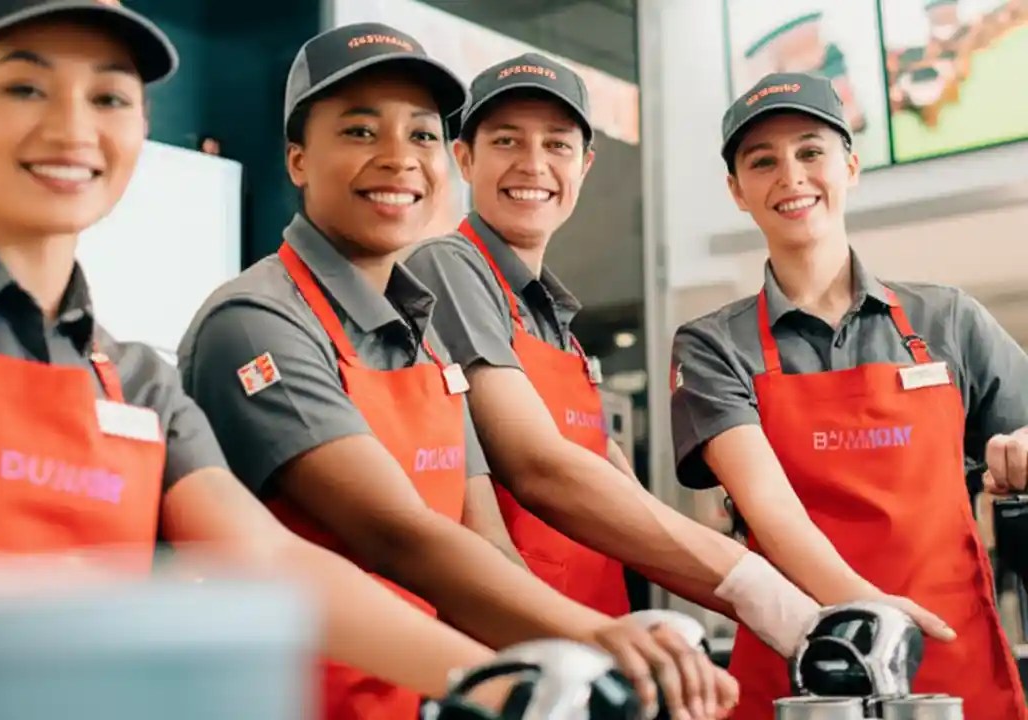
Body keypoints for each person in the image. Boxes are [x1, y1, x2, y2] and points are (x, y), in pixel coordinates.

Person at [0, 0, 519, 710]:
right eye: (26, 87)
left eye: (109, 97)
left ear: (140, 128)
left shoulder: (141, 386)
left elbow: (270, 560)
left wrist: (505, 682)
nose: (72, 127)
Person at [177, 23, 736, 720]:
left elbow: (485, 535)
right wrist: (591, 639)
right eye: (358, 132)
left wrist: (572, 661)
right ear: (296, 159)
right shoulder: (257, 322)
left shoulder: (426, 334)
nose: (398, 158)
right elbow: (397, 531)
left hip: (434, 696)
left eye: (420, 135)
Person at [403, 52, 823, 659]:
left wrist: (790, 614)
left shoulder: (561, 328)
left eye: (557, 145)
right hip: (516, 655)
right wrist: (763, 592)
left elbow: (632, 513)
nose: (534, 164)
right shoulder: (447, 265)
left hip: (601, 650)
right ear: (464, 157)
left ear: (585, 165)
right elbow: (536, 467)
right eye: (506, 141)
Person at [668, 71, 1028, 719]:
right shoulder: (711, 345)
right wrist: (873, 616)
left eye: (811, 151)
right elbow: (771, 512)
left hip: (948, 657)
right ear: (737, 190)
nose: (791, 175)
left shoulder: (949, 320)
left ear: (851, 167)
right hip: (800, 667)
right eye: (762, 161)